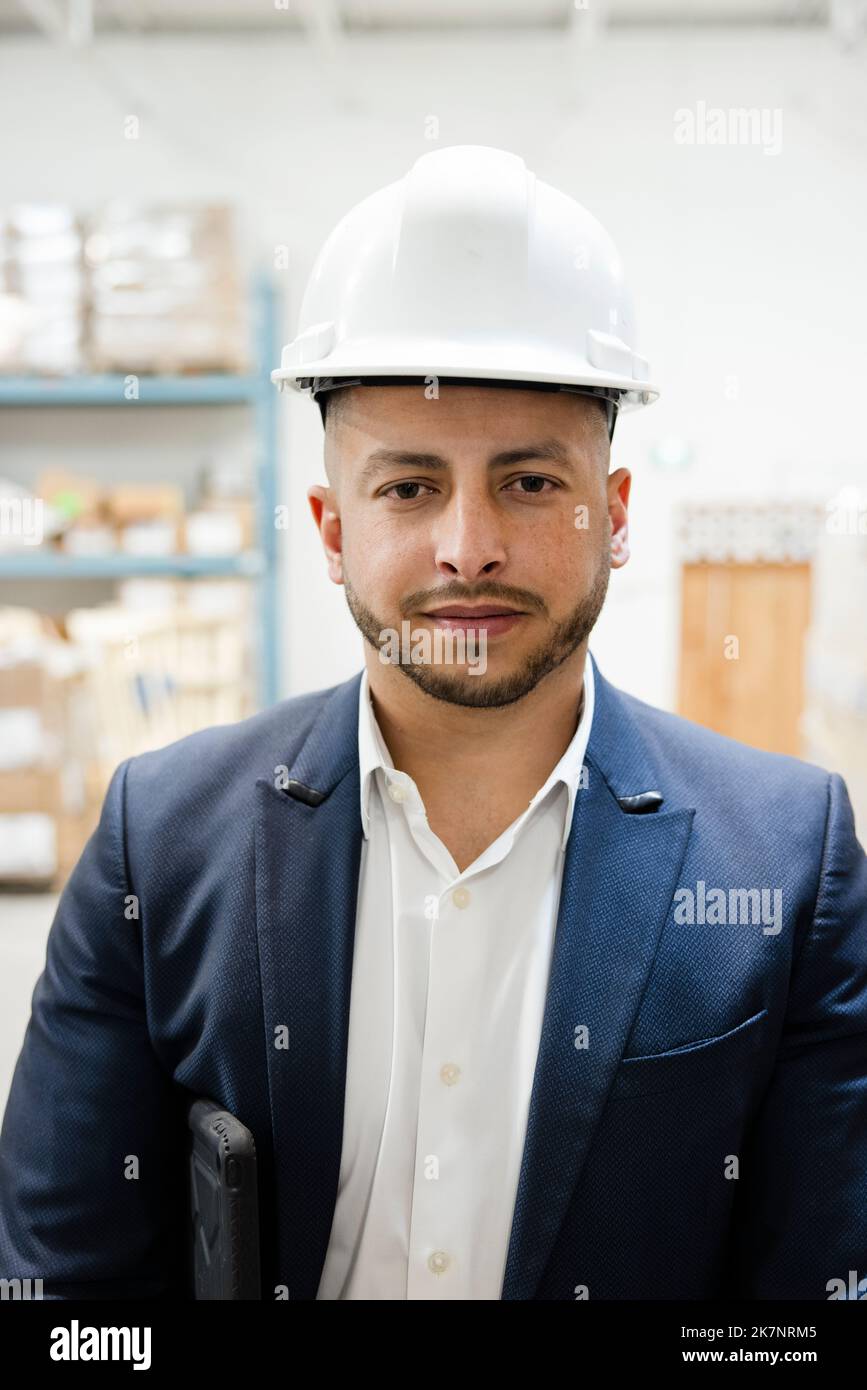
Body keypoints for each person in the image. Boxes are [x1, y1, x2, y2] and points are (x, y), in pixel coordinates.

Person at [1, 146, 865, 1302]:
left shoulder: (785, 861)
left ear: (612, 513)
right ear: (330, 526)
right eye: (410, 486)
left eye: (529, 482)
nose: (469, 546)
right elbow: (66, 1298)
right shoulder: (158, 841)